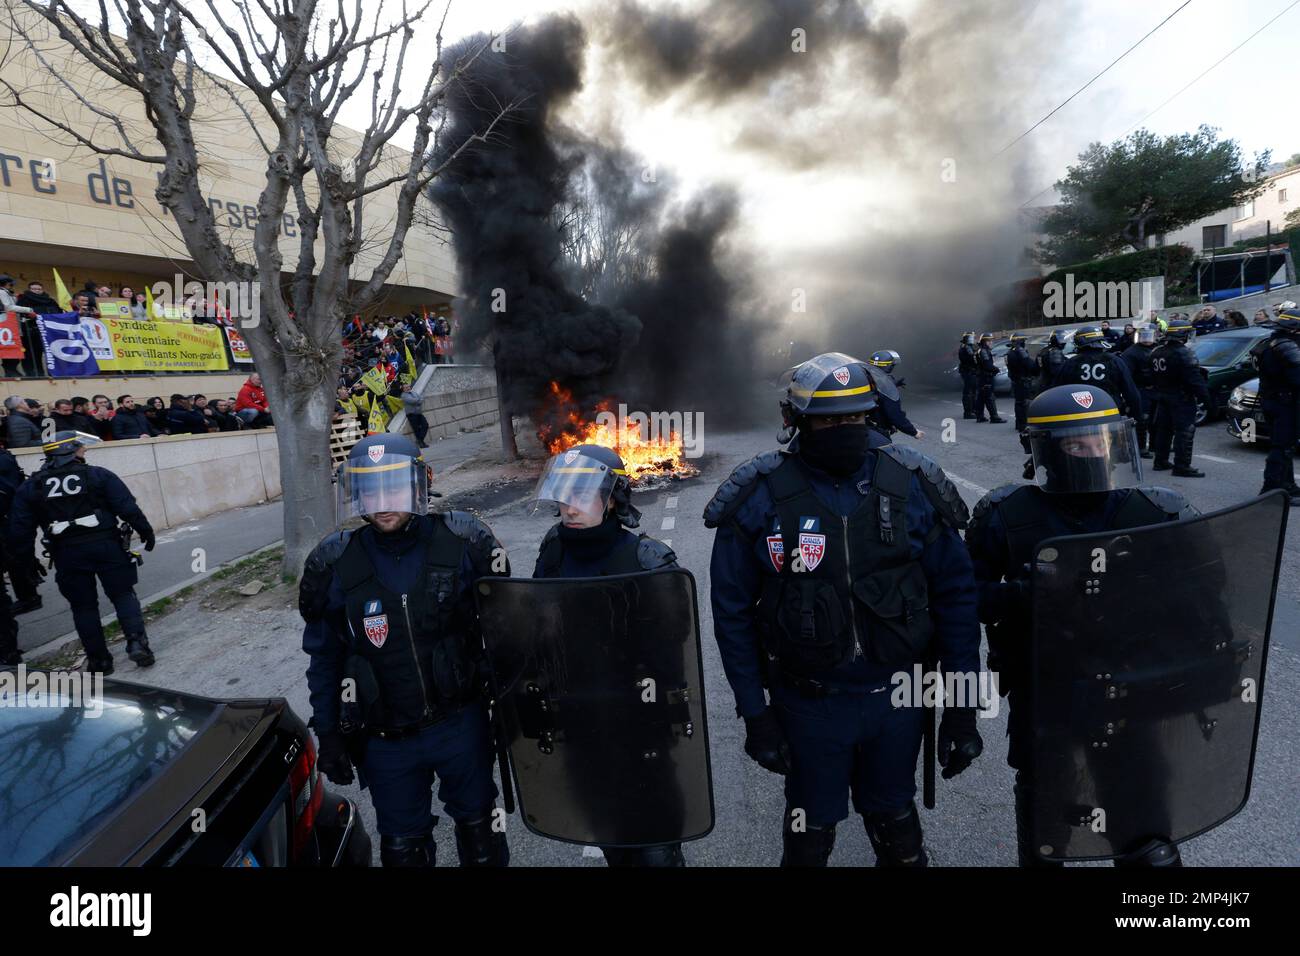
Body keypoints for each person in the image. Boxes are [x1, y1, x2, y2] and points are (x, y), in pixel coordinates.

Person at [704, 352, 982, 867]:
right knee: (809, 831)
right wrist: (755, 716)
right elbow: (733, 616)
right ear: (796, 421)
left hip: (899, 698)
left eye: (853, 417)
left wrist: (962, 712)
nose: (842, 428)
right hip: (809, 703)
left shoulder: (912, 486)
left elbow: (958, 605)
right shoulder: (759, 497)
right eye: (827, 419)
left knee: (897, 827)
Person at [964, 384, 1196, 867]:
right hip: (1045, 689)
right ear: (1047, 451)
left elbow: (1203, 601)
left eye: (1101, 442)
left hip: (1130, 685)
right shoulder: (1006, 516)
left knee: (1142, 817)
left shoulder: (1153, 511)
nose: (1092, 453)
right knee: (1047, 813)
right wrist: (1022, 594)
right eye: (1076, 445)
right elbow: (965, 599)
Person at [299, 435, 511, 867]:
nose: (382, 502)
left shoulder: (464, 541)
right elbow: (324, 659)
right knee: (401, 849)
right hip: (384, 738)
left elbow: (508, 631)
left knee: (483, 834)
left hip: (460, 723)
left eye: (393, 487)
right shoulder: (335, 563)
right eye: (369, 490)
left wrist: (514, 707)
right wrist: (331, 735)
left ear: (420, 483)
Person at [527, 443, 686, 866]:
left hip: (637, 726)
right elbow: (538, 628)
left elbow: (672, 660)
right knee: (609, 834)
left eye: (581, 496)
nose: (568, 508)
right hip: (579, 722)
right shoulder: (554, 551)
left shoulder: (645, 560)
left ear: (612, 499)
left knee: (655, 845)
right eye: (563, 497)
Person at [7, 431, 156, 674]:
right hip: (107, 546)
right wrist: (146, 532)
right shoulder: (99, 475)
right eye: (81, 447)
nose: (84, 451)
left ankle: (99, 661)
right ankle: (138, 644)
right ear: (71, 450)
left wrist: (24, 563)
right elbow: (127, 507)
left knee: (83, 607)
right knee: (123, 595)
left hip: (67, 554)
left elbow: (20, 530)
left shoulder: (31, 485)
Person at [1249, 309, 1300, 503]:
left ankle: (1288, 485)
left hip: (1271, 400)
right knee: (1282, 447)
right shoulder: (1287, 346)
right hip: (1284, 403)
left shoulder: (1267, 343)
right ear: (1294, 329)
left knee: (1285, 445)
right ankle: (1270, 490)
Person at [1148, 318, 1210, 478]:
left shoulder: (1157, 351)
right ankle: (1182, 466)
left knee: (1164, 431)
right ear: (1183, 335)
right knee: (1184, 432)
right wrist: (1208, 401)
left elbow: (1152, 376)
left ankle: (1160, 461)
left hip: (1162, 396)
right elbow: (1195, 380)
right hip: (1181, 398)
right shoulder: (1184, 353)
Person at [1053, 326, 1142, 422]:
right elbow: (1131, 391)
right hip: (1111, 412)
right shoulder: (1115, 360)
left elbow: (1057, 390)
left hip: (1080, 415)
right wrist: (1136, 416)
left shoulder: (1070, 363)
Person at [866, 350, 923, 439]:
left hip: (864, 427)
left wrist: (894, 383)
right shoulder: (886, 387)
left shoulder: (866, 378)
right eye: (892, 366)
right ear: (888, 366)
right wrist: (914, 432)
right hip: (877, 433)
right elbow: (896, 416)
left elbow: (877, 387)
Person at [1120, 327, 1158, 459]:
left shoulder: (1158, 349)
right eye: (1144, 336)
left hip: (1157, 390)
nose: (1147, 339)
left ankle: (1155, 445)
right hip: (1140, 390)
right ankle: (1141, 448)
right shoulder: (1131, 353)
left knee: (1156, 419)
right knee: (1141, 420)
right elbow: (1126, 376)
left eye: (1150, 335)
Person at [1005, 333, 1037, 445]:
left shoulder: (1010, 352)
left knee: (1018, 403)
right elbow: (1030, 364)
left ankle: (1019, 424)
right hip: (1023, 381)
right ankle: (1023, 425)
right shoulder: (1020, 351)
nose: (1025, 342)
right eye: (1023, 340)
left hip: (1016, 381)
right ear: (1019, 341)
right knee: (1025, 403)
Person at [974, 333, 1005, 423]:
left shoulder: (982, 350)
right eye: (990, 341)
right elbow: (987, 365)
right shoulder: (983, 351)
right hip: (985, 377)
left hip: (982, 377)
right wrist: (996, 369)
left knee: (981, 398)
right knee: (989, 397)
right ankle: (994, 417)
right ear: (985, 341)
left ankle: (980, 416)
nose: (991, 342)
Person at [400, 383, 430, 447]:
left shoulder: (414, 393)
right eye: (406, 387)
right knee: (416, 429)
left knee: (425, 425)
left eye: (408, 386)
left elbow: (421, 398)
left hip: (419, 413)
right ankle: (421, 443)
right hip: (411, 414)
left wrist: (418, 400)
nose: (408, 388)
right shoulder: (404, 395)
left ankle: (419, 440)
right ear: (403, 389)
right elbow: (412, 401)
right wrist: (418, 400)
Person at [957, 332, 978, 420]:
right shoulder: (967, 348)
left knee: (971, 392)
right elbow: (972, 358)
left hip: (968, 372)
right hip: (968, 372)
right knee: (969, 393)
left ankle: (972, 410)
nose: (974, 339)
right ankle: (968, 412)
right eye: (972, 337)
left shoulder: (965, 347)